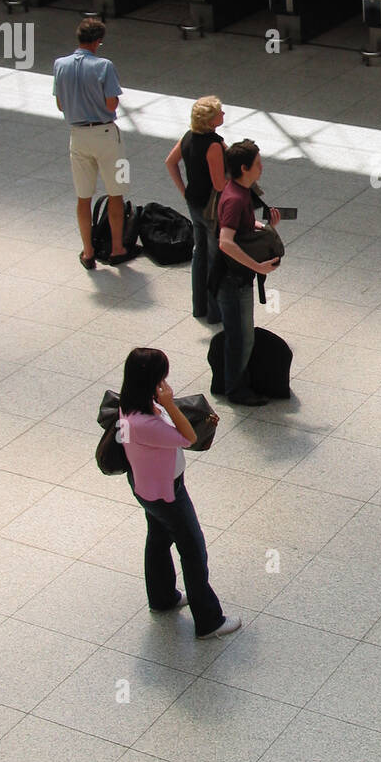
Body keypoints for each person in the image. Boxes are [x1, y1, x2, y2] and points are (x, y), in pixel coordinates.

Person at [118, 346, 239, 639]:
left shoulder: (129, 405)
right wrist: (170, 404)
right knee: (193, 550)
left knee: (158, 538)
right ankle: (209, 621)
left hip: (144, 487)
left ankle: (162, 597)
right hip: (167, 493)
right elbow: (188, 438)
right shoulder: (145, 422)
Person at [53, 16, 129, 269]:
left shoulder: (59, 65)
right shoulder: (105, 66)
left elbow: (60, 104)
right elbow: (111, 103)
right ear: (98, 41)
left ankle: (88, 252)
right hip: (107, 134)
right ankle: (117, 247)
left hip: (77, 136)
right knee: (116, 191)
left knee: (83, 196)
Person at [210, 138, 281, 406]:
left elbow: (241, 230)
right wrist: (258, 266)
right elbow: (225, 241)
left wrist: (265, 226)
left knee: (240, 335)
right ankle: (236, 389)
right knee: (241, 337)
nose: (261, 168)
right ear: (244, 167)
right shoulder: (236, 199)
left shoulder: (238, 191)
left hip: (234, 277)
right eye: (257, 163)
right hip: (232, 280)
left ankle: (232, 381)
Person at [165, 96, 226, 322]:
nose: (223, 115)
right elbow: (220, 184)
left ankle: (198, 306)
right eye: (220, 112)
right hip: (211, 208)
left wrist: (183, 190)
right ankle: (214, 311)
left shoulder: (188, 137)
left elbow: (170, 162)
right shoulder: (213, 146)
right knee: (213, 257)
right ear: (211, 121)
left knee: (199, 253)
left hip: (193, 202)